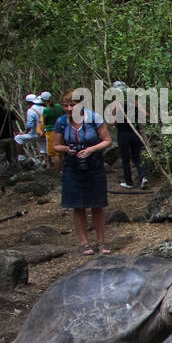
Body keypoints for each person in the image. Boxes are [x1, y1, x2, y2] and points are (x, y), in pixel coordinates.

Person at [54, 89, 113, 254]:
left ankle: (101, 242)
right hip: (72, 166)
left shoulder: (94, 118)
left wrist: (91, 150)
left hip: (93, 164)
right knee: (77, 206)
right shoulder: (61, 122)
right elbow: (55, 145)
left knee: (97, 205)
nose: (68, 108)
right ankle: (84, 243)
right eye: (65, 105)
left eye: (71, 104)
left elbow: (107, 140)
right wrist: (66, 149)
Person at [105, 81, 148, 190]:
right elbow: (146, 114)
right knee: (136, 157)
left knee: (125, 159)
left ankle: (129, 182)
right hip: (135, 133)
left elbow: (112, 120)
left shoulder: (117, 103)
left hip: (123, 134)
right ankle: (142, 177)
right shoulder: (134, 101)